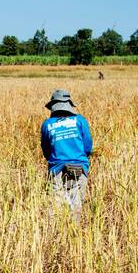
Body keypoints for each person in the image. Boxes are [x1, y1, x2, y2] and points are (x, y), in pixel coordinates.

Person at [40, 89, 93, 218]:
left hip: (56, 169)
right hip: (79, 168)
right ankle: (74, 235)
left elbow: (46, 151)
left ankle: (55, 236)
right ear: (69, 105)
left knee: (55, 210)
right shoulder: (80, 121)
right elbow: (88, 147)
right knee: (76, 207)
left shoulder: (47, 125)